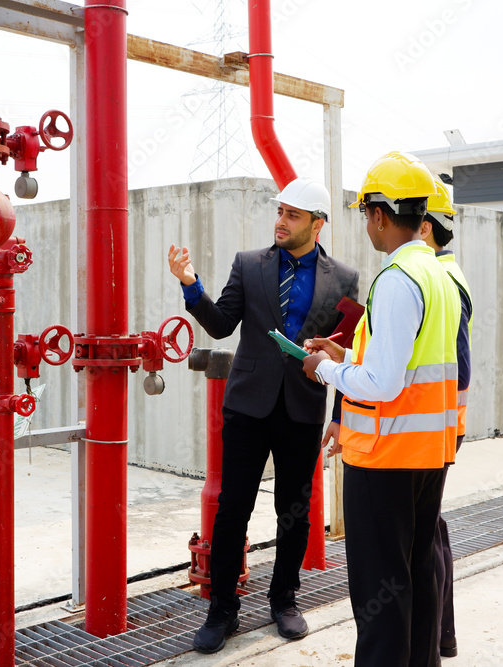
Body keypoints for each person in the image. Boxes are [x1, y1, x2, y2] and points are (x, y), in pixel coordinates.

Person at [167, 176, 359, 654]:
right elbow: (222, 323)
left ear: (316, 224)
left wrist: (339, 412)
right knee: (233, 509)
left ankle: (284, 600)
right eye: (279, 211)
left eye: (292, 215)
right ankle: (222, 610)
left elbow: (346, 353)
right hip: (249, 405)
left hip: (303, 406)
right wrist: (191, 286)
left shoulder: (345, 279)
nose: (280, 221)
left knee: (295, 512)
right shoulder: (249, 265)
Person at [302, 152, 460, 667]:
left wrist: (323, 371)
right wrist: (346, 355)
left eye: (365, 212)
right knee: (414, 582)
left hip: (383, 456)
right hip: (425, 455)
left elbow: (384, 384)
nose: (366, 222)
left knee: (380, 603)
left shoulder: (395, 279)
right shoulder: (438, 275)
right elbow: (408, 364)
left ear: (379, 214)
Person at [423, 175, 473, 659]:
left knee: (428, 536)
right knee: (431, 531)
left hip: (434, 430)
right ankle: (444, 636)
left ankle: (440, 636)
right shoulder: (447, 275)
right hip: (439, 427)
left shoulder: (440, 280)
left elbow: (458, 369)